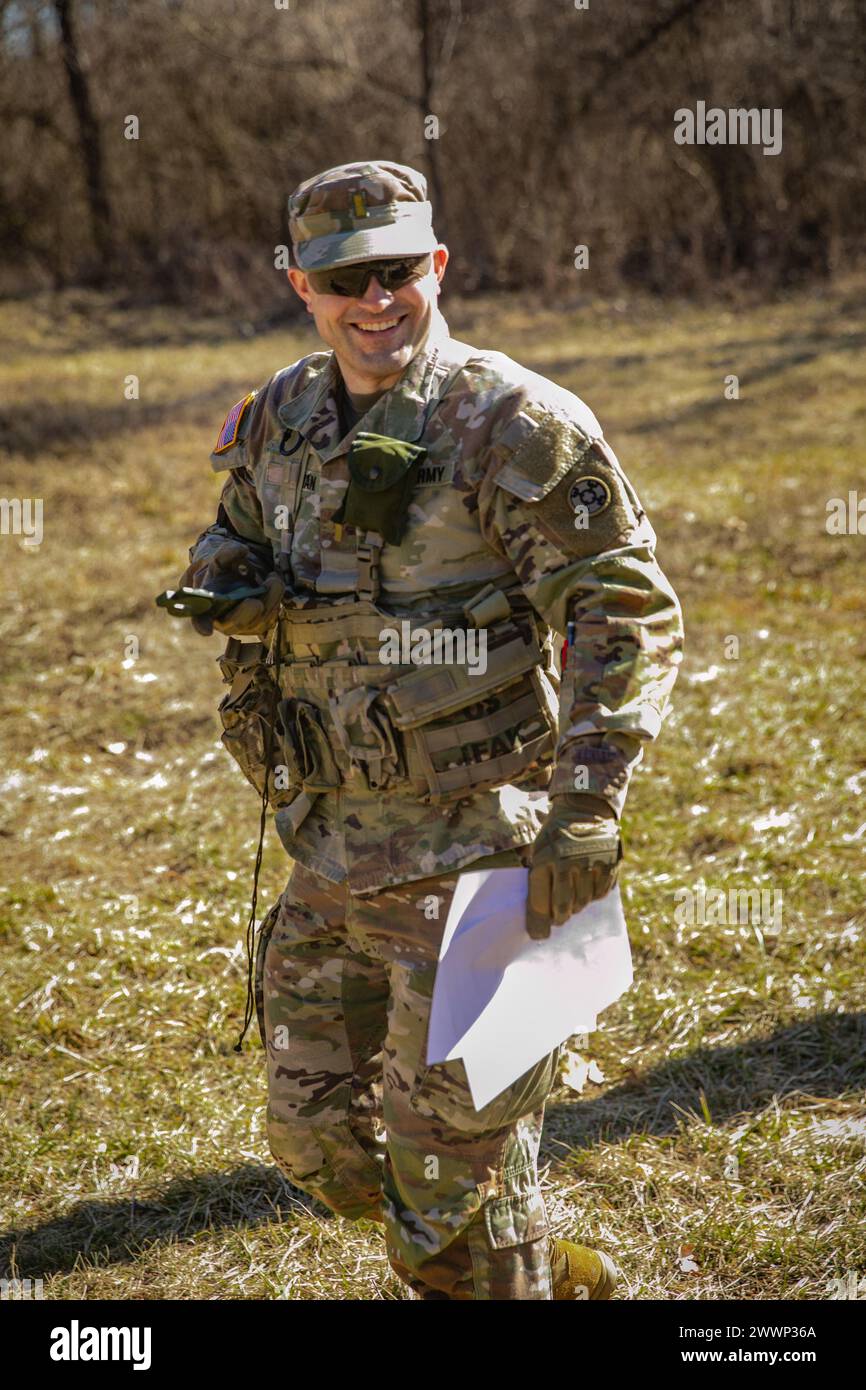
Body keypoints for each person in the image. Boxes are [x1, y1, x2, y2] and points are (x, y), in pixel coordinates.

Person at [175, 160, 684, 1300]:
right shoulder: (280, 416)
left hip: (486, 858)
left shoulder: (513, 422)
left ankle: (499, 1264)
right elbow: (237, 534)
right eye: (343, 276)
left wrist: (588, 811)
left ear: (436, 265)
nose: (375, 300)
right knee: (321, 1150)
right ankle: (524, 1250)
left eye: (397, 270)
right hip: (332, 846)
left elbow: (622, 610)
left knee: (445, 1191)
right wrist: (225, 583)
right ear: (299, 283)